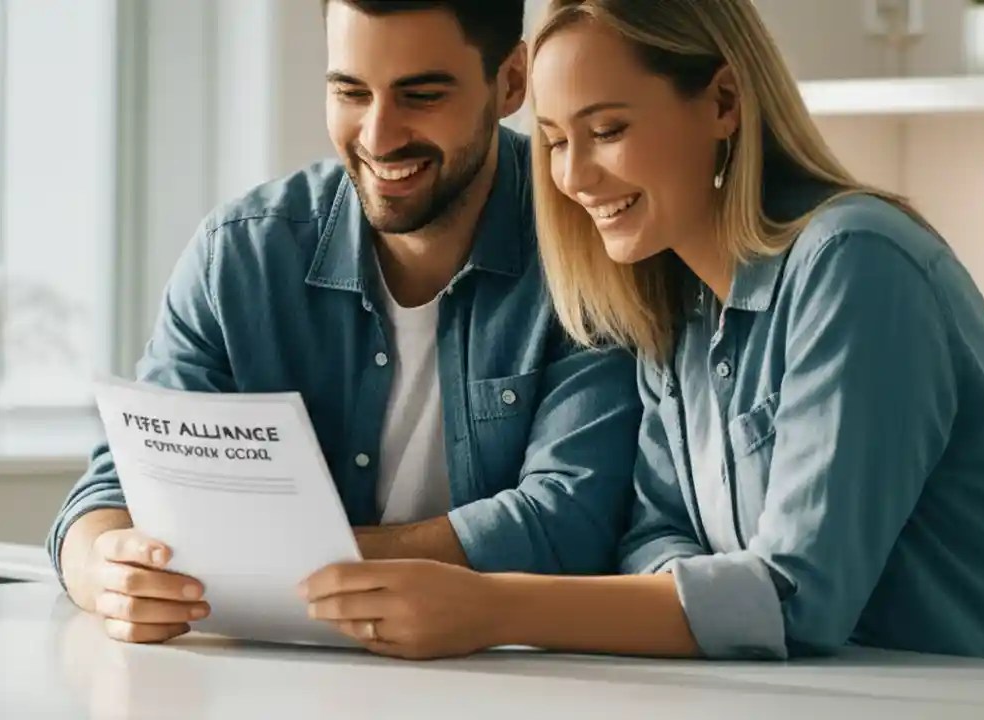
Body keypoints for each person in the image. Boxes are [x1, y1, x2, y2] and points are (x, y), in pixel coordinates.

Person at [299, 0, 984, 676]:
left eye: (607, 131)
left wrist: (492, 607)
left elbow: (794, 598)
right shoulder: (674, 308)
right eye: (556, 142)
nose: (574, 178)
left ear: (723, 101)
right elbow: (649, 536)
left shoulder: (854, 264)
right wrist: (699, 587)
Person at [46, 0, 640, 645]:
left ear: (511, 83)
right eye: (351, 92)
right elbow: (120, 484)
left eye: (422, 95)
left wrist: (277, 569)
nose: (380, 137)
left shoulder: (590, 241)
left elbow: (571, 521)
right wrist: (103, 570)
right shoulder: (242, 254)